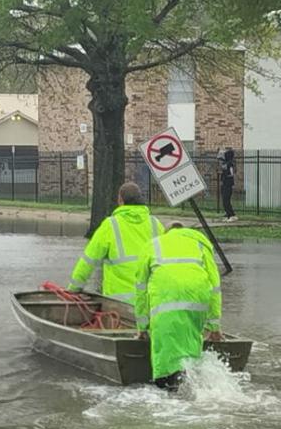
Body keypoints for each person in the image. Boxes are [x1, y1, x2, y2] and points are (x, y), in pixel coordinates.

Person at [134, 223, 223, 390]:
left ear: (166, 233)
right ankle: (193, 386)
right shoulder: (200, 245)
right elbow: (215, 286)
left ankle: (166, 388)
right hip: (198, 300)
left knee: (164, 350)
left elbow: (140, 290)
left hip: (164, 302)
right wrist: (214, 325)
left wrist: (142, 327)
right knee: (191, 341)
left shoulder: (152, 245)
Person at [68, 181, 164, 309]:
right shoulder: (155, 224)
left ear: (120, 200)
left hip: (119, 302)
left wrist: (73, 289)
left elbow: (88, 261)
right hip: (151, 300)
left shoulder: (110, 225)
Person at [218, 147, 236, 220]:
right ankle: (228, 213)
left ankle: (231, 215)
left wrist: (225, 173)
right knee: (224, 200)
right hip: (225, 183)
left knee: (226, 200)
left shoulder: (230, 164)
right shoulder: (227, 164)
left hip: (228, 184)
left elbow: (230, 174)